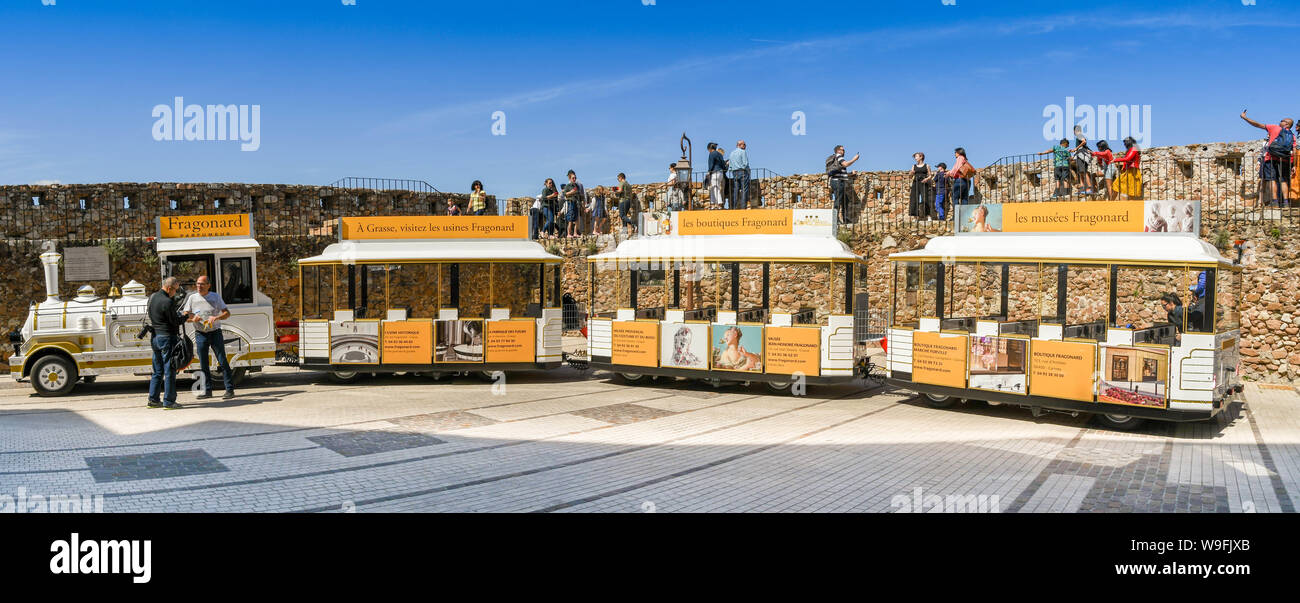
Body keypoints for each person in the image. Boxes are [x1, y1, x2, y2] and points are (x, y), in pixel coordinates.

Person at [182, 275, 236, 400]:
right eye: (197, 284)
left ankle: (229, 390)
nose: (199, 286)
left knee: (222, 361)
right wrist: (192, 318)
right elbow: (185, 315)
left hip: (215, 332)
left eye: (202, 284)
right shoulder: (192, 298)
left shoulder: (215, 297)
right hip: (200, 334)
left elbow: (227, 313)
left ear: (208, 285)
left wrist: (216, 318)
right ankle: (207, 391)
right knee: (203, 364)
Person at [147, 276, 189, 410]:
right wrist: (186, 316)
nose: (175, 293)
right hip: (167, 338)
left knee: (157, 371)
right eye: (175, 290)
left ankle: (153, 400)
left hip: (155, 338)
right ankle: (169, 401)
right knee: (170, 369)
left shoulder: (152, 297)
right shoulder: (168, 302)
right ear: (169, 288)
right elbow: (175, 321)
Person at [1240, 111, 1294, 207]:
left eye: (1282, 121)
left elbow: (1257, 125)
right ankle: (1286, 202)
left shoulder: (1274, 128)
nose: (1280, 122)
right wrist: (1293, 164)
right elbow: (1293, 150)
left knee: (1272, 179)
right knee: (1284, 180)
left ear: (1286, 123)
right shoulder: (1292, 135)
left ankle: (1274, 201)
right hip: (1285, 159)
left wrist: (1245, 118)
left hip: (1271, 158)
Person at [825, 145, 859, 223]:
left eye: (844, 150)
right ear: (838, 151)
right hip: (837, 182)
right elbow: (845, 164)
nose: (844, 151)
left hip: (838, 181)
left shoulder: (836, 159)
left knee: (845, 200)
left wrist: (851, 174)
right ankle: (835, 219)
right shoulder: (839, 156)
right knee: (838, 200)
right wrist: (854, 159)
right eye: (842, 150)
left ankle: (845, 219)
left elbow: (841, 173)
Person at [907, 152, 934, 220]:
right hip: (915, 182)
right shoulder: (914, 166)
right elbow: (910, 176)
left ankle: (928, 216)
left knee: (925, 199)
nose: (915, 158)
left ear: (921, 157)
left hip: (923, 182)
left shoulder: (927, 165)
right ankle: (916, 217)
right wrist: (911, 173)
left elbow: (930, 175)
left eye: (916, 156)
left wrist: (926, 179)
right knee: (914, 199)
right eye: (915, 157)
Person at [562, 170, 585, 238]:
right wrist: (572, 192)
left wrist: (582, 201)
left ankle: (575, 233)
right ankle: (568, 234)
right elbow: (565, 194)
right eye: (573, 178)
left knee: (577, 220)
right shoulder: (568, 186)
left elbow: (580, 194)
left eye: (575, 178)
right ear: (569, 178)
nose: (574, 179)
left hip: (577, 203)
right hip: (571, 203)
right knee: (571, 219)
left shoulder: (577, 185)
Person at [728, 140, 750, 209]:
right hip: (742, 172)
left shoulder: (731, 153)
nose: (745, 146)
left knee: (736, 190)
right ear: (740, 145)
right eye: (744, 144)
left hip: (734, 173)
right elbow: (745, 163)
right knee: (744, 190)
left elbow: (730, 165)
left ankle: (735, 207)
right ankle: (743, 207)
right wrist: (745, 170)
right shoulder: (742, 152)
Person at [707, 142, 727, 207]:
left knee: (715, 188)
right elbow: (723, 165)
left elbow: (711, 164)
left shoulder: (712, 154)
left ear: (710, 148)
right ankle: (713, 203)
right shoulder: (720, 154)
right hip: (721, 173)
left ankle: (719, 203)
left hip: (715, 172)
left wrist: (709, 172)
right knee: (714, 188)